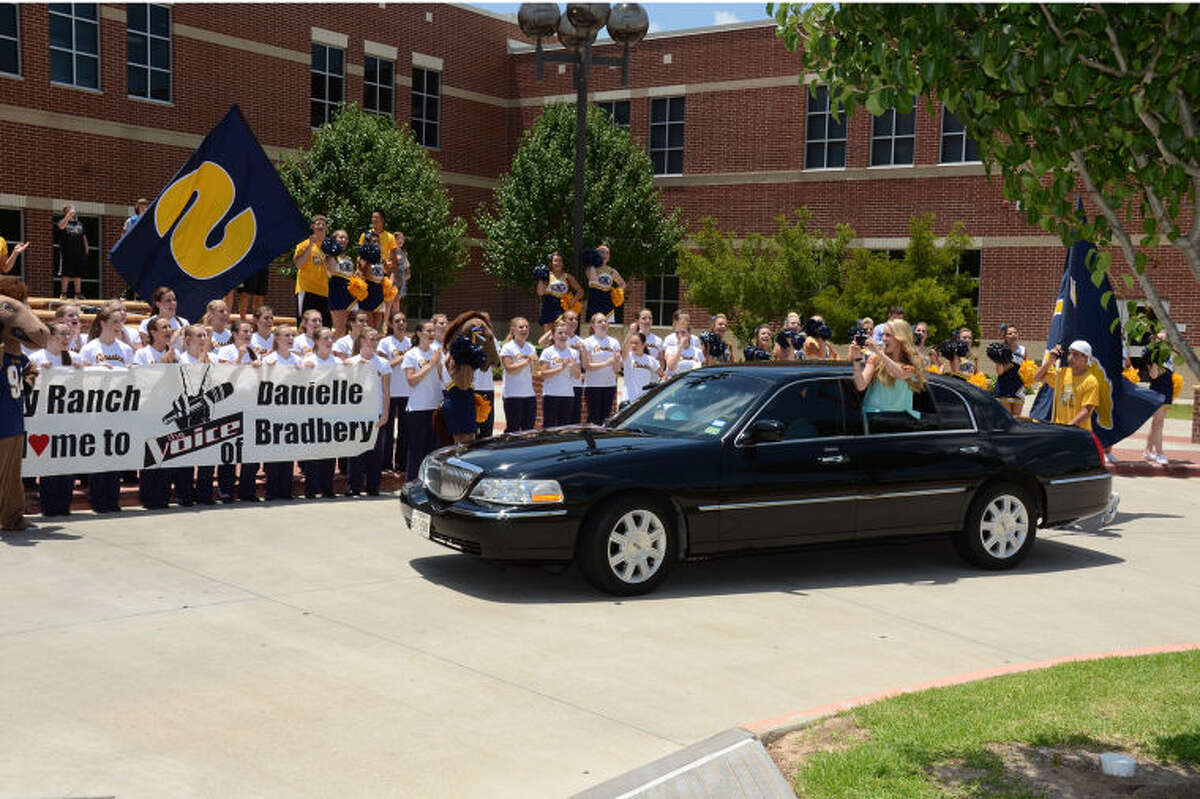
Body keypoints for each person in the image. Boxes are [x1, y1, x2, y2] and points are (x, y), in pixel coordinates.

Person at [77, 306, 135, 511]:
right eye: (115, 322)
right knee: (99, 453)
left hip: (118, 406)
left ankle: (113, 498)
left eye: (121, 322)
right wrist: (98, 370)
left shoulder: (125, 349)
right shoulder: (91, 347)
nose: (119, 326)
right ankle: (98, 498)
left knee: (115, 453)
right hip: (96, 406)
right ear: (103, 323)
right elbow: (81, 376)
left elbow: (132, 378)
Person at [28, 322, 77, 517]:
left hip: (67, 418)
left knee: (66, 462)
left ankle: (64, 505)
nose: (67, 338)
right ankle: (49, 506)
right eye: (63, 334)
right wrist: (39, 371)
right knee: (48, 463)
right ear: (50, 337)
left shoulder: (73, 358)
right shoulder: (36, 358)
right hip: (44, 419)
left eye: (69, 334)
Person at [213, 320, 259, 503]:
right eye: (244, 331)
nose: (248, 335)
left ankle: (247, 490)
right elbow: (224, 379)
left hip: (251, 406)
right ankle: (226, 491)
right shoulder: (226, 351)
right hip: (230, 407)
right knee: (229, 451)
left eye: (250, 332)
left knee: (251, 452)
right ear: (234, 334)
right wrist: (240, 360)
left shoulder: (254, 352)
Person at [850, 319, 927, 416]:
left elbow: (901, 374)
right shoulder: (876, 359)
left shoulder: (914, 361)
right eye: (883, 334)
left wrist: (879, 352)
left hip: (901, 419)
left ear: (900, 338)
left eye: (888, 335)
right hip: (874, 416)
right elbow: (861, 386)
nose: (883, 339)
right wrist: (856, 360)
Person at [347, 327, 390, 496]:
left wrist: (385, 413)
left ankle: (373, 487)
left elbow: (386, 390)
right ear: (363, 340)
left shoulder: (383, 363)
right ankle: (353, 487)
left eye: (376, 339)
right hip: (357, 413)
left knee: (375, 452)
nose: (374, 342)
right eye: (371, 339)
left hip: (376, 412)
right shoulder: (351, 362)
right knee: (356, 451)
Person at [261, 325, 302, 500]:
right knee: (273, 452)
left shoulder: (298, 361)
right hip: (273, 412)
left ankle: (286, 490)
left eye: (292, 335)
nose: (291, 338)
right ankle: (271, 491)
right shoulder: (269, 360)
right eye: (286, 335)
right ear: (276, 338)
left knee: (288, 452)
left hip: (292, 411)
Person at [300, 327, 339, 497]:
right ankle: (311, 488)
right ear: (316, 341)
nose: (329, 341)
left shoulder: (338, 363)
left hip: (331, 413)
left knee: (329, 453)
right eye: (325, 338)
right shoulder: (309, 362)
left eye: (331, 338)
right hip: (311, 413)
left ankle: (327, 488)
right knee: (312, 453)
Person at [402, 320, 444, 478]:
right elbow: (411, 380)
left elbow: (442, 377)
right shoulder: (411, 354)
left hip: (435, 406)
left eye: (433, 331)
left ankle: (431, 483)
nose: (432, 334)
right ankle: (412, 482)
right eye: (428, 331)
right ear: (419, 333)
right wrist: (430, 364)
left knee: (433, 449)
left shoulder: (437, 352)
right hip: (418, 408)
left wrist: (439, 363)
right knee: (416, 449)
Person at [1033, 340, 1099, 431]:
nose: (1070, 358)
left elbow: (1086, 411)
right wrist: (1050, 361)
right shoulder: (1062, 373)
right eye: (1069, 354)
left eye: (1075, 354)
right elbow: (1037, 377)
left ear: (1086, 358)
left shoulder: (1090, 381)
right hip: (1060, 429)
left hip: (1078, 432)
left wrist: (1067, 428)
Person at [378, 311, 411, 473]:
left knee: (405, 430)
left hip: (407, 392)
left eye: (404, 320)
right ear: (391, 324)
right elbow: (383, 366)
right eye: (397, 321)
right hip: (390, 392)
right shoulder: (385, 343)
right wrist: (402, 358)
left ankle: (402, 463)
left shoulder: (411, 342)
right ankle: (386, 464)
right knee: (388, 430)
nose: (401, 323)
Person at [539, 321, 581, 427]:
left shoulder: (573, 352)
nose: (563, 336)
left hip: (567, 394)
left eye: (565, 333)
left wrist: (573, 367)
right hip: (551, 394)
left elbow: (577, 376)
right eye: (560, 333)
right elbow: (544, 374)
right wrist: (561, 368)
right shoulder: (548, 352)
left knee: (565, 426)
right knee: (550, 426)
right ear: (553, 336)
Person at [500, 316, 538, 433]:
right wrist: (527, 361)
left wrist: (535, 362)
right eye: (521, 327)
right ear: (513, 330)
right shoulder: (508, 347)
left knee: (529, 429)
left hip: (529, 394)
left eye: (526, 327)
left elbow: (534, 372)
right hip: (513, 395)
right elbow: (509, 368)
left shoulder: (531, 347)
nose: (524, 329)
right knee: (513, 429)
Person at [582, 313, 620, 424]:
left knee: (606, 417)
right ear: (593, 326)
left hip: (609, 385)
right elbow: (586, 366)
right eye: (600, 322)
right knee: (593, 417)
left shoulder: (614, 342)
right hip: (593, 385)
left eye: (605, 321)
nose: (603, 324)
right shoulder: (587, 342)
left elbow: (617, 369)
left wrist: (616, 361)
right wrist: (607, 363)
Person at [293, 214, 331, 327]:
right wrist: (310, 246)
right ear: (313, 226)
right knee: (304, 326)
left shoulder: (329, 246)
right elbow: (298, 265)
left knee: (325, 327)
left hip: (325, 292)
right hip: (307, 290)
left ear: (326, 228)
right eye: (318, 223)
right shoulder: (304, 243)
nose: (321, 226)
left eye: (323, 224)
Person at [1144, 330, 1174, 466]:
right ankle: (1159, 453)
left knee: (1156, 422)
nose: (1162, 341)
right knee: (1159, 423)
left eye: (1164, 339)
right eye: (1159, 339)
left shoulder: (1168, 356)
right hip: (1158, 392)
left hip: (1167, 391)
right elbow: (1154, 376)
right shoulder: (1152, 357)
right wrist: (1155, 360)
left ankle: (1147, 450)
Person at [324, 227, 357, 337]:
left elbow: (351, 275)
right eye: (341, 237)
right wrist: (333, 252)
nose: (344, 240)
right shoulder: (330, 256)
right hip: (337, 291)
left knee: (353, 328)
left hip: (350, 293)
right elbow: (331, 270)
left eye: (346, 238)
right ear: (334, 239)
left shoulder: (348, 258)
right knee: (340, 329)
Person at [536, 251, 584, 327]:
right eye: (555, 261)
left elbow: (580, 291)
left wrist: (572, 302)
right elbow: (540, 293)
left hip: (563, 306)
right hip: (549, 305)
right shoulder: (546, 276)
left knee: (563, 330)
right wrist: (540, 278)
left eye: (560, 261)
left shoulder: (567, 277)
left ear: (563, 263)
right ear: (551, 263)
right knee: (550, 332)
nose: (558, 263)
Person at [992, 324, 1027, 416]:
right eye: (1010, 333)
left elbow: (1026, 368)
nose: (1013, 335)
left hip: (1018, 386)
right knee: (1007, 416)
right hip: (1004, 385)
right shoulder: (1000, 350)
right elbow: (999, 372)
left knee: (1017, 416)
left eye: (1015, 333)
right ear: (1005, 337)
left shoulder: (1023, 350)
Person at [585, 244, 626, 322]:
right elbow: (593, 279)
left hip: (608, 303)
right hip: (594, 302)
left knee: (608, 327)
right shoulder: (591, 268)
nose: (605, 255)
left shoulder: (611, 271)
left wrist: (618, 293)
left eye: (607, 253)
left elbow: (622, 284)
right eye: (602, 252)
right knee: (593, 327)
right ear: (596, 254)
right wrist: (593, 262)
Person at [357, 233, 389, 331]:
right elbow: (360, 271)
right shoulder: (363, 257)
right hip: (368, 291)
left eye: (378, 242)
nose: (377, 244)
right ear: (368, 242)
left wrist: (386, 265)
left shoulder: (381, 259)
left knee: (376, 326)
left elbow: (385, 273)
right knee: (368, 325)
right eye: (374, 241)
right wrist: (366, 258)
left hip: (378, 291)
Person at [55, 205, 88, 299]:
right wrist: (68, 216)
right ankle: (63, 293)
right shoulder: (62, 221)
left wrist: (86, 248)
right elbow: (61, 227)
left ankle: (78, 294)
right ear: (66, 212)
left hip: (79, 252)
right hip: (67, 252)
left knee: (78, 273)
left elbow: (83, 236)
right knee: (66, 273)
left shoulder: (79, 223)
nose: (73, 211)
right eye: (70, 210)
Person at [623, 331, 663, 403]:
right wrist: (630, 332)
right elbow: (623, 351)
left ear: (643, 344)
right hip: (629, 398)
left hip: (644, 400)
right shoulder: (628, 357)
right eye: (631, 343)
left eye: (636, 343)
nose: (633, 345)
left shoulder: (650, 359)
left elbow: (662, 375)